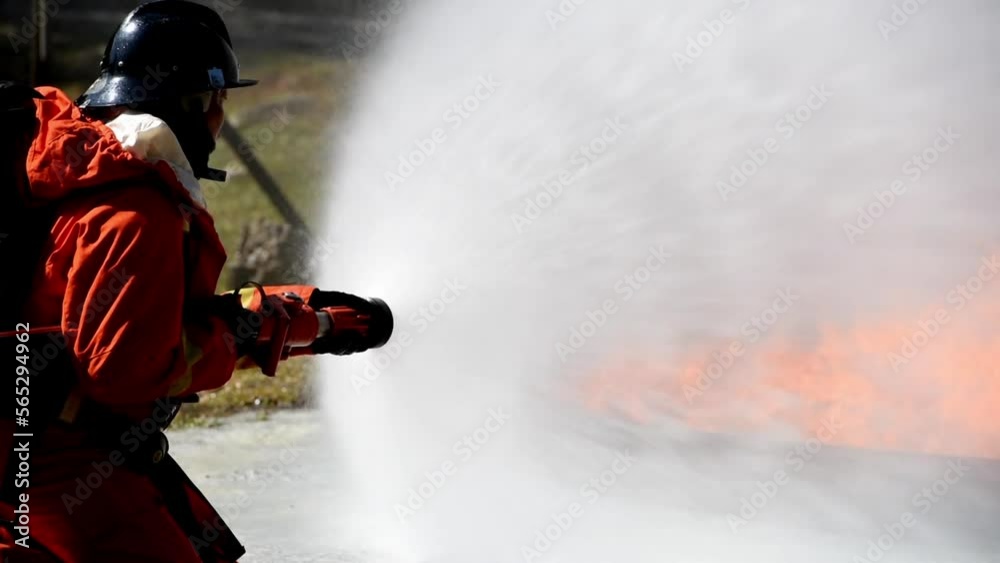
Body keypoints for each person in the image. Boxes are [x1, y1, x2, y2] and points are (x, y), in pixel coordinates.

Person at [0, 2, 390, 561]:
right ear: (190, 102)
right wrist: (236, 337)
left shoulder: (73, 171)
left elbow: (116, 321)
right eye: (216, 100)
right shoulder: (136, 210)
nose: (220, 117)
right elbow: (124, 372)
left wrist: (279, 317)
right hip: (58, 465)